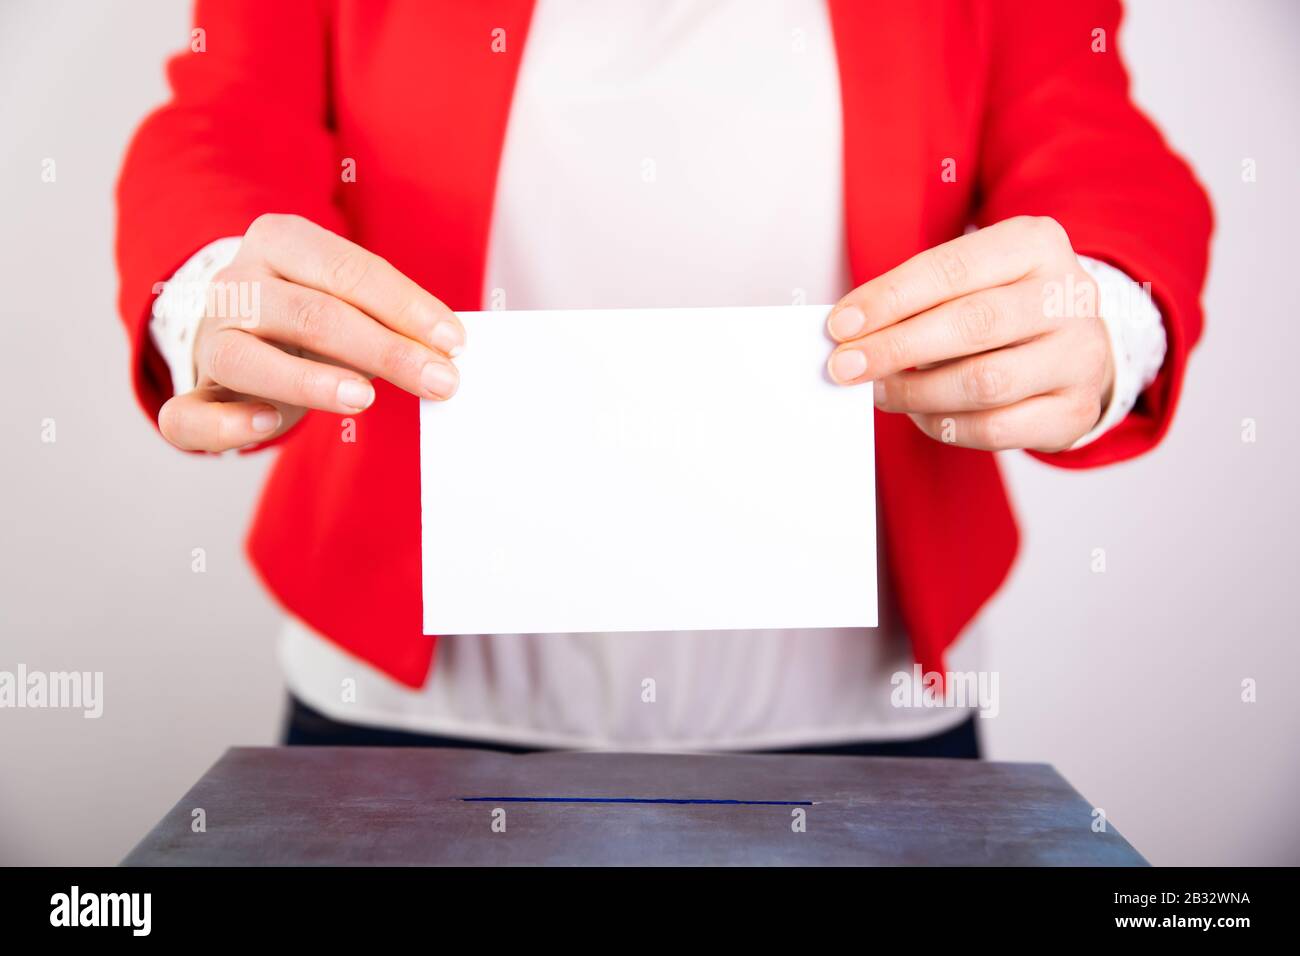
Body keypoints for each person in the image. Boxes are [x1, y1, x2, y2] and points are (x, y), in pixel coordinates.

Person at [116, 0, 1211, 759]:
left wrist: (1106, 307)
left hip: (873, 709)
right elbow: (225, 117)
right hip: (395, 697)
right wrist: (210, 282)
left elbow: (1090, 135)